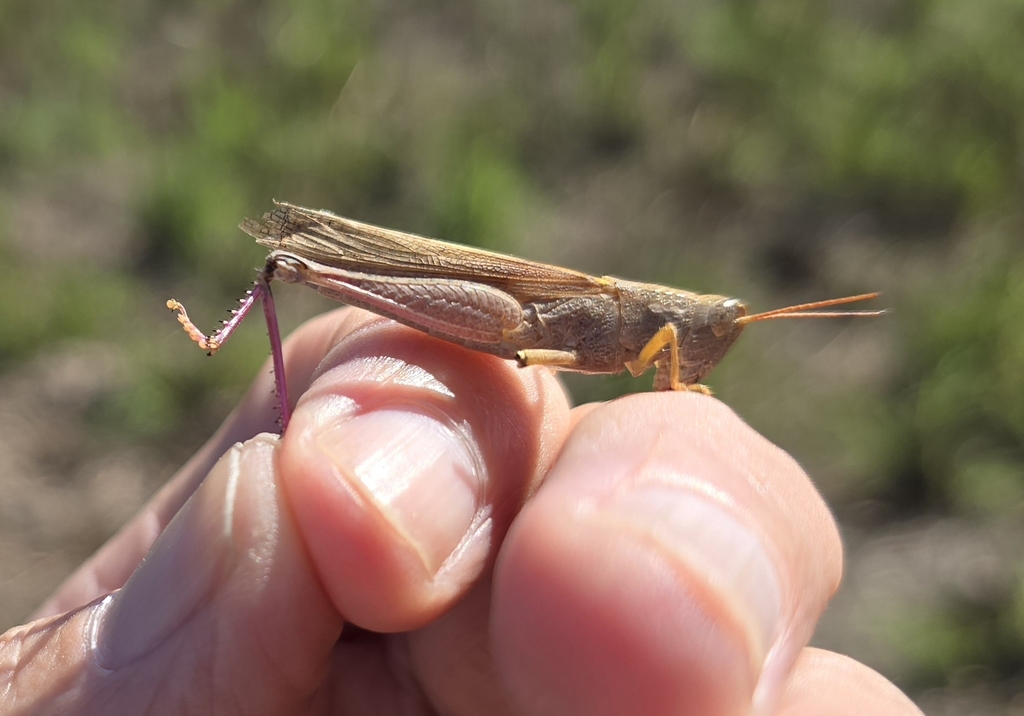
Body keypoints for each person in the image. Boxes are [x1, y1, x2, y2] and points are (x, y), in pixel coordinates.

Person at [0, 308, 922, 715]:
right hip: (509, 311)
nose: (710, 349)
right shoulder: (658, 326)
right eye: (716, 331)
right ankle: (282, 279)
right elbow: (635, 344)